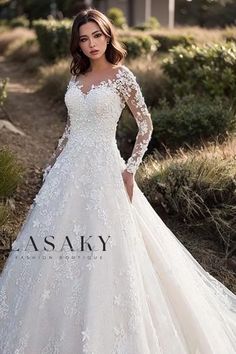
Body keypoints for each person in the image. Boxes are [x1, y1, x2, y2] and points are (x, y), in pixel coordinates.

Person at [0, 7, 236, 354]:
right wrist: (51, 167)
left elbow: (146, 125)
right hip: (68, 173)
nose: (91, 43)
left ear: (108, 35)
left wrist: (130, 169)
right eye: (83, 38)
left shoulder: (122, 77)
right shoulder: (76, 78)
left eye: (97, 35)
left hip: (105, 170)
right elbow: (69, 130)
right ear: (77, 45)